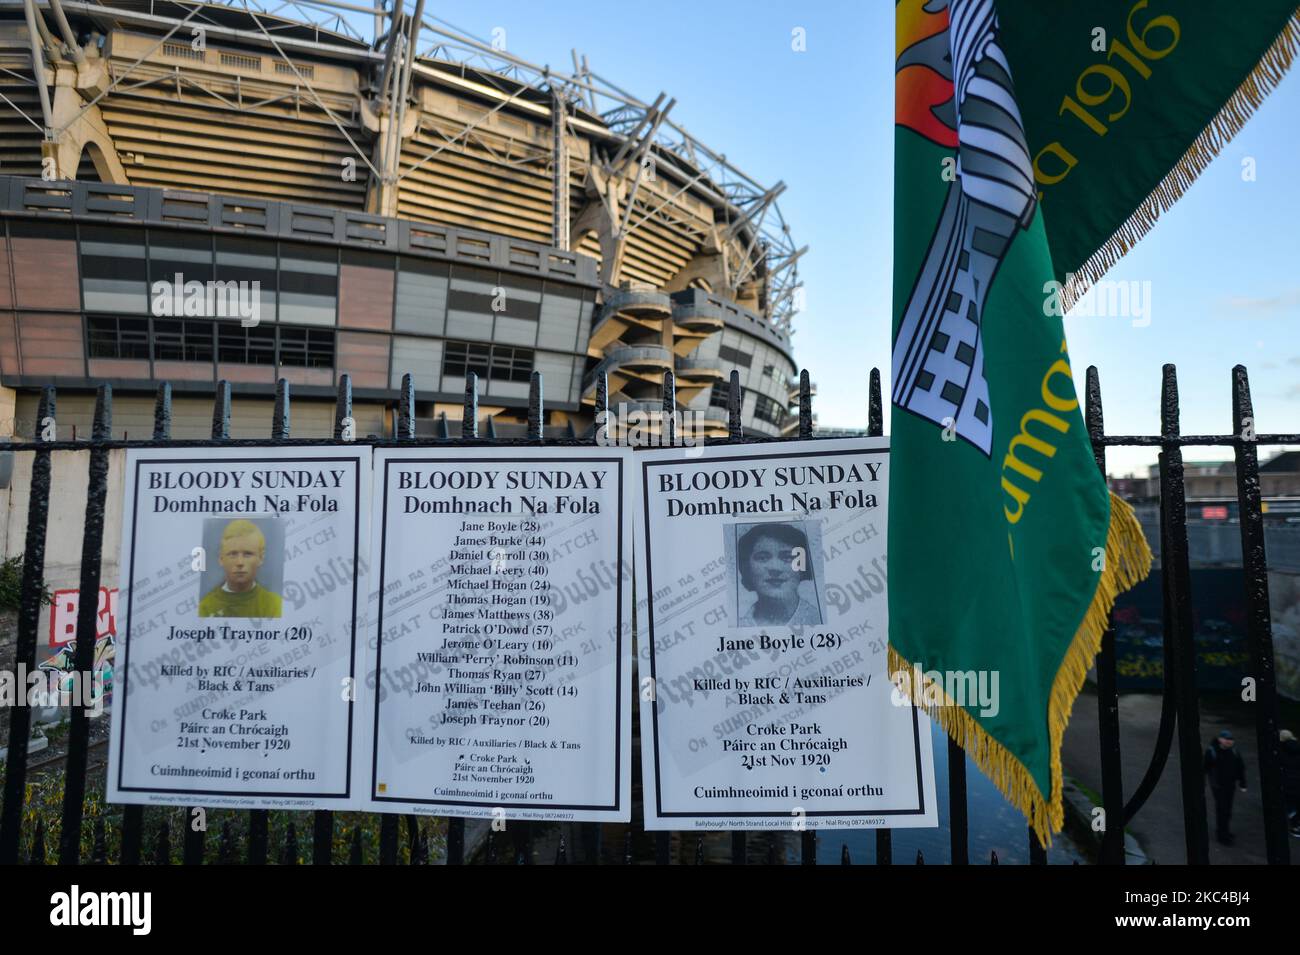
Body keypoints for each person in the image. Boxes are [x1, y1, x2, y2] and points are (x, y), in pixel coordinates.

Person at [735, 522, 821, 628]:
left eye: (787, 557)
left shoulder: (817, 619)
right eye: (762, 558)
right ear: (747, 567)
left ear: (802, 566)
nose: (775, 568)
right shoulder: (739, 625)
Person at [199, 519, 283, 618]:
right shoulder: (206, 607)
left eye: (248, 554)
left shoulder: (275, 605)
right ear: (221, 559)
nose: (240, 563)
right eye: (233, 554)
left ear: (260, 558)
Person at [1203, 729, 1247, 846]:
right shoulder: (1212, 751)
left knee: (1227, 810)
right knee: (1222, 809)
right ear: (1220, 739)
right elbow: (1204, 768)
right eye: (1226, 739)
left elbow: (1240, 768)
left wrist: (1243, 783)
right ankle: (1222, 835)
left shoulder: (1234, 751)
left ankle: (1225, 831)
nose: (1229, 742)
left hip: (1230, 785)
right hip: (1218, 786)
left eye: (1231, 740)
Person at [1280, 729, 1300, 837]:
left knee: (1291, 804)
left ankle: (1295, 826)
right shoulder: (1298, 747)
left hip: (1288, 782)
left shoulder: (1282, 750)